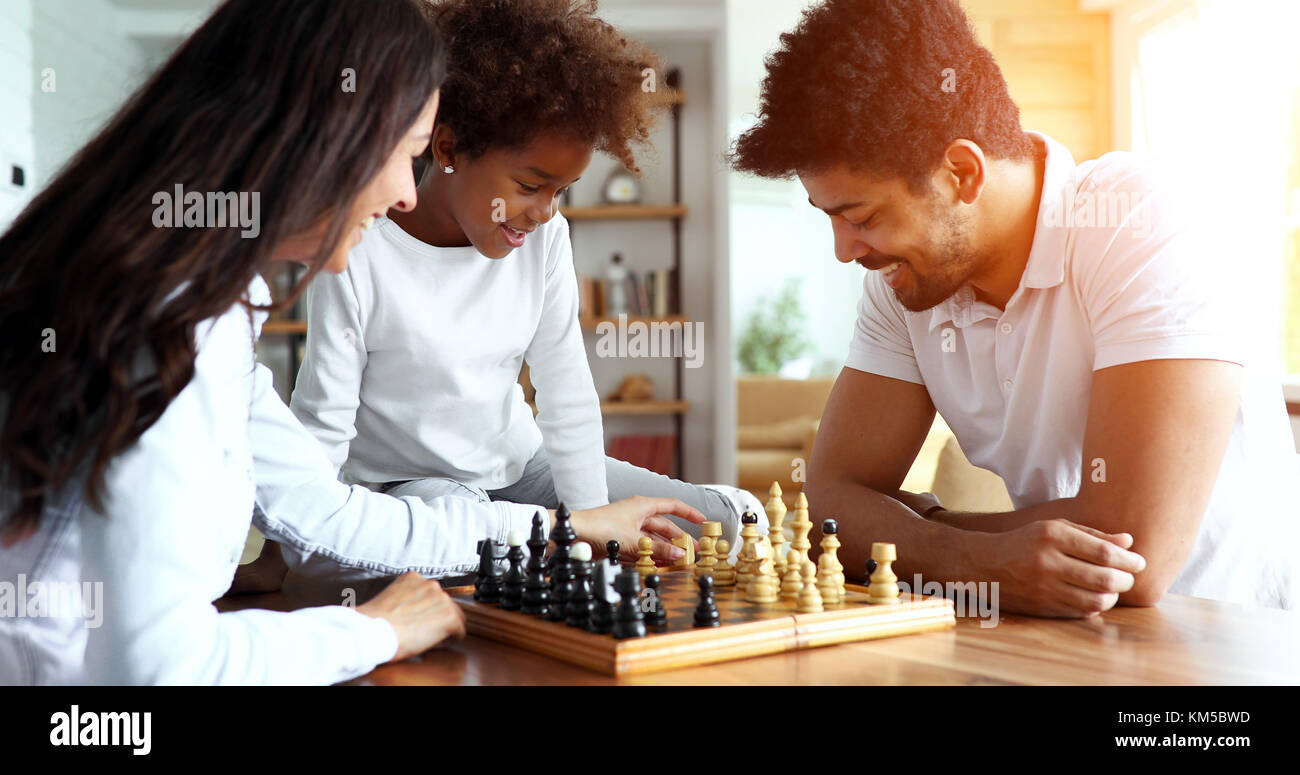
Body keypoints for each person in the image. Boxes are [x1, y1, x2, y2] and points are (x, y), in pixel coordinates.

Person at [0, 0, 702, 686]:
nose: (406, 193)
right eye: (407, 154)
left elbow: (324, 508)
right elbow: (159, 669)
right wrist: (376, 630)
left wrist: (565, 525)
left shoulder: (211, 313)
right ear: (318, 139)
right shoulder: (158, 329)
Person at [728, 0, 1298, 615]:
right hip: (1055, 642)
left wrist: (913, 526)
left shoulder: (1139, 220)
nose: (845, 252)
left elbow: (1132, 556)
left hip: (1226, 644)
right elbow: (833, 505)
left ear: (962, 172)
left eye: (860, 217)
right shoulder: (906, 285)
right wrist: (975, 558)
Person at [287, 0, 764, 580]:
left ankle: (545, 540)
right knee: (459, 537)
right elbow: (323, 421)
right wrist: (299, 544)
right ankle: (520, 543)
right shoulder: (359, 249)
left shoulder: (545, 239)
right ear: (447, 148)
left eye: (562, 191)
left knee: (721, 523)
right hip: (409, 485)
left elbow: (566, 390)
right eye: (530, 185)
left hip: (521, 468)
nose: (544, 212)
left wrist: (594, 531)